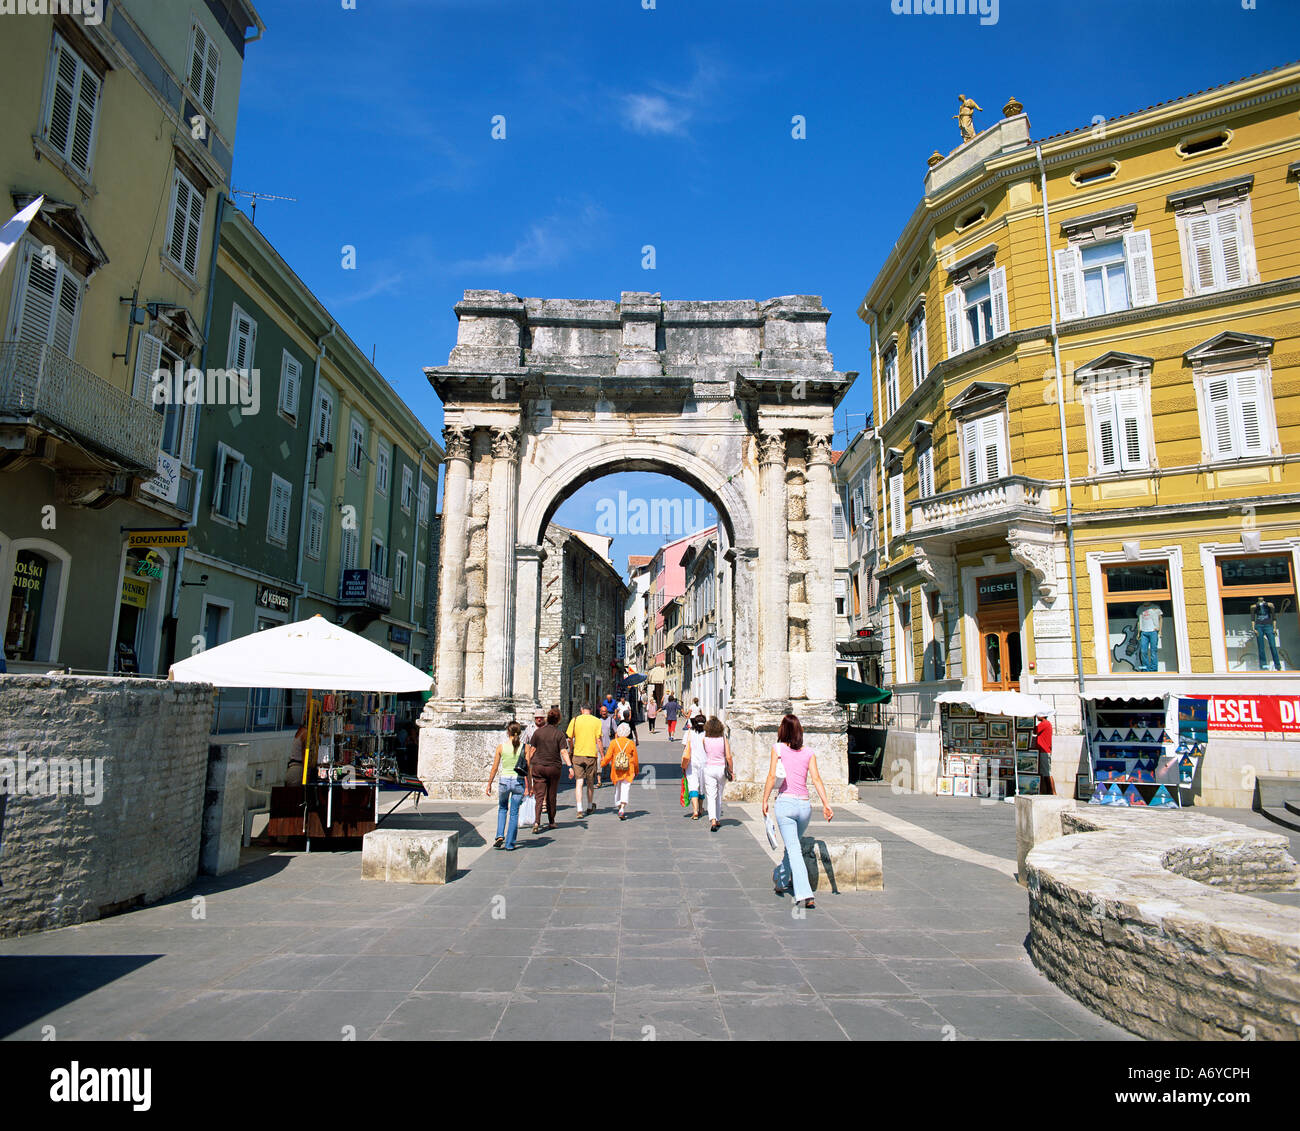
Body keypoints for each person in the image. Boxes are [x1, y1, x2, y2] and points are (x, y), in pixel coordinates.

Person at [761, 713, 834, 911]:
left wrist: (765, 799)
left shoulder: (777, 749)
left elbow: (771, 776)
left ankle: (805, 893)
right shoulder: (809, 752)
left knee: (793, 849)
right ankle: (780, 878)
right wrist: (826, 804)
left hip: (785, 804)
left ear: (783, 730)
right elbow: (816, 779)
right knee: (791, 847)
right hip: (804, 807)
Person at [486, 721, 527, 849]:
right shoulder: (525, 747)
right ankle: (510, 843)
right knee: (514, 813)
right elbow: (528, 769)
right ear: (519, 733)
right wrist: (530, 787)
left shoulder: (501, 747)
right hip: (518, 781)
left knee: (502, 808)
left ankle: (499, 835)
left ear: (507, 732)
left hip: (504, 780)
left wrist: (489, 784)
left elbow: (494, 767)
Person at [527, 707, 566, 832]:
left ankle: (537, 822)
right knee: (551, 795)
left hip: (538, 767)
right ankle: (551, 821)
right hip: (554, 768)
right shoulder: (559, 734)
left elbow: (532, 750)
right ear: (558, 720)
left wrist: (526, 763)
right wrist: (570, 766)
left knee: (539, 795)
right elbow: (563, 751)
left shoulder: (538, 733)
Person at [566, 703, 605, 819]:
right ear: (591, 710)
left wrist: (572, 748)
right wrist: (602, 755)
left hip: (578, 754)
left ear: (581, 710)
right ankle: (589, 806)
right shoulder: (597, 721)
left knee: (579, 782)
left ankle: (579, 809)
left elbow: (569, 738)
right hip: (591, 755)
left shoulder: (575, 720)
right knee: (590, 782)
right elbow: (598, 740)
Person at [601, 719, 639, 821]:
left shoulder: (614, 743)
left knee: (617, 788)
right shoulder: (630, 743)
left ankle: (619, 806)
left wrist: (602, 763)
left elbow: (608, 756)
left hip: (616, 769)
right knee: (625, 788)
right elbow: (635, 758)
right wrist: (636, 769)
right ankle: (622, 807)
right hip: (628, 769)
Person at [700, 716, 733, 832]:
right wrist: (731, 771)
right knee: (719, 794)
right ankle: (718, 819)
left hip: (709, 768)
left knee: (711, 795)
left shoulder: (705, 740)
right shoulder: (723, 739)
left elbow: (707, 752)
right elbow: (728, 756)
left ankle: (713, 819)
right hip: (721, 769)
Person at [680, 713, 706, 820]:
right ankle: (700, 808)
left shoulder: (689, 732)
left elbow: (685, 746)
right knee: (702, 785)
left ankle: (695, 811)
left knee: (693, 784)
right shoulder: (707, 733)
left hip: (692, 762)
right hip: (705, 762)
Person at [1253, 596, 1281, 670]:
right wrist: (1253, 628)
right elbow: (1252, 618)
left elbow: (1274, 617)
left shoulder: (1269, 605)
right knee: (1261, 647)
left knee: (1272, 646)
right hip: (1259, 625)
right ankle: (1263, 665)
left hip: (1268, 625)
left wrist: (1274, 628)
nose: (1260, 598)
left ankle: (1277, 665)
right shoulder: (1254, 606)